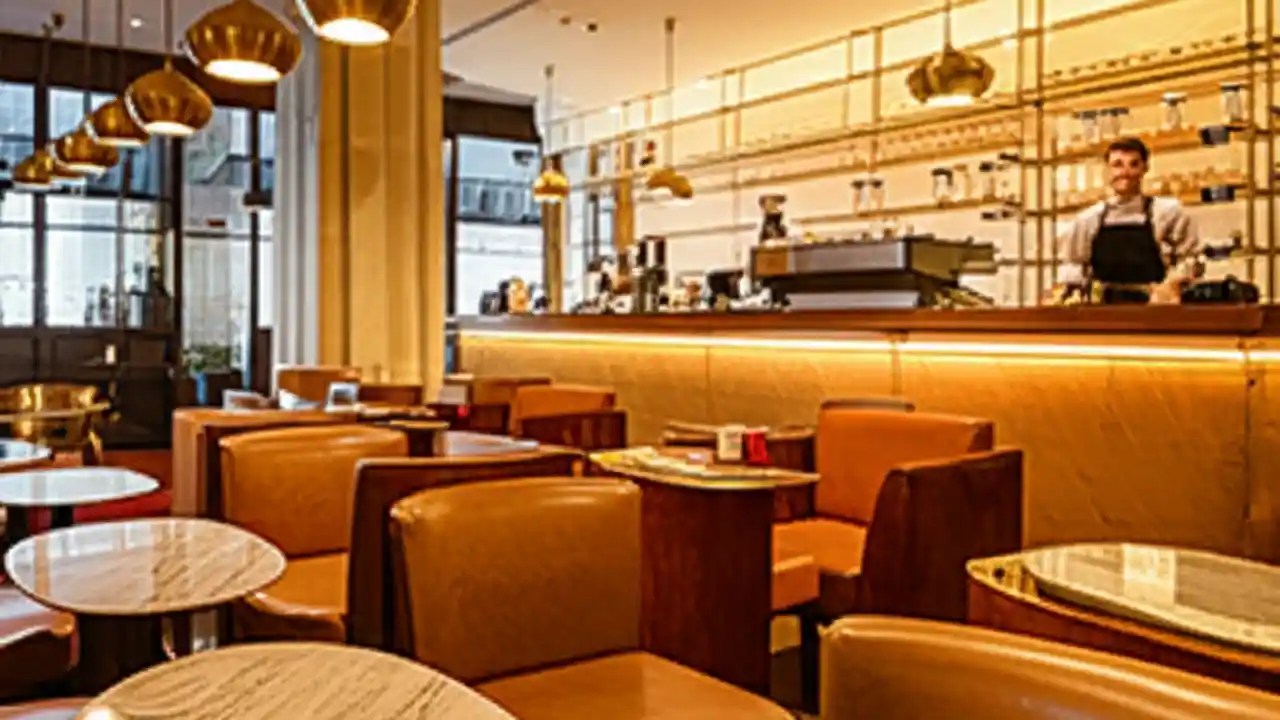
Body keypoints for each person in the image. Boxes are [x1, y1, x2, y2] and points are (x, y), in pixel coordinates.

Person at [1060, 137, 1201, 304]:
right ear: (1107, 170)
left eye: (1134, 164)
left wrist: (1171, 286)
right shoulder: (1087, 220)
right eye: (1117, 165)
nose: (1125, 172)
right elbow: (1073, 268)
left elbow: (1192, 259)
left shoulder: (1168, 213)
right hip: (1102, 314)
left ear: (1145, 168)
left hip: (1157, 311)